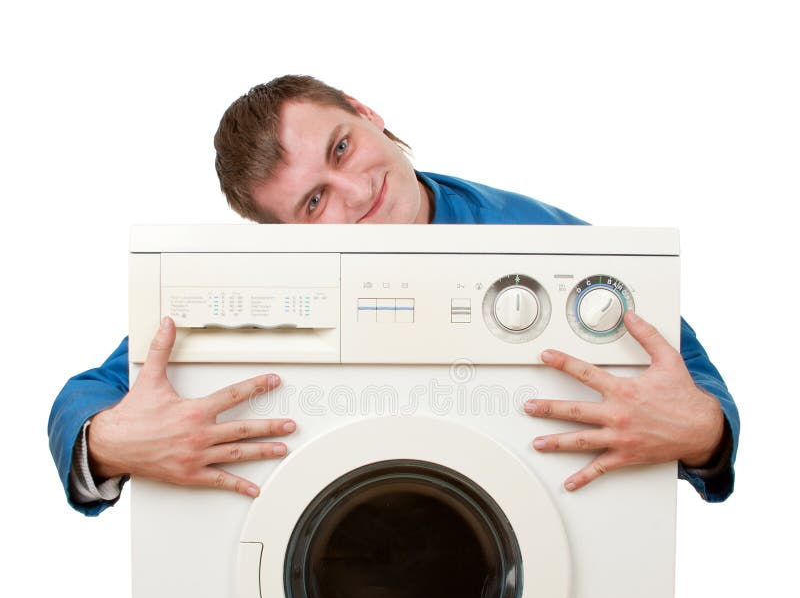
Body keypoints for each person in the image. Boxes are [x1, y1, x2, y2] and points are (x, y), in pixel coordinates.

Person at [48, 75, 738, 516]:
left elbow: (694, 385)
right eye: (314, 201)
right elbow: (93, 392)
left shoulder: (540, 239)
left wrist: (704, 434)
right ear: (284, 238)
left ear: (366, 112)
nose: (356, 193)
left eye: (342, 148)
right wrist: (106, 442)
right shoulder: (258, 280)